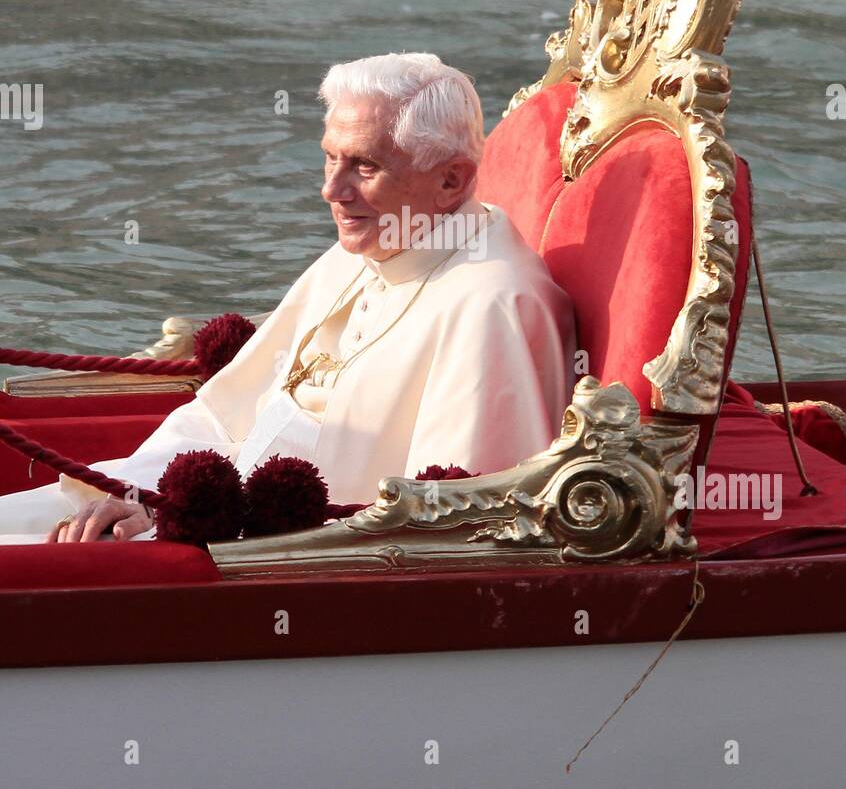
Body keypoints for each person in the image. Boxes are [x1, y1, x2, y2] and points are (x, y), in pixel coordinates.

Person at [0, 52, 576, 546]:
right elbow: (226, 418)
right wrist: (144, 495)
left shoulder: (493, 307)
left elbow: (448, 526)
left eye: (363, 166)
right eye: (330, 157)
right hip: (197, 504)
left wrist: (166, 524)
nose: (332, 190)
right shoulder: (381, 241)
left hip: (277, 555)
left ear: (451, 181)